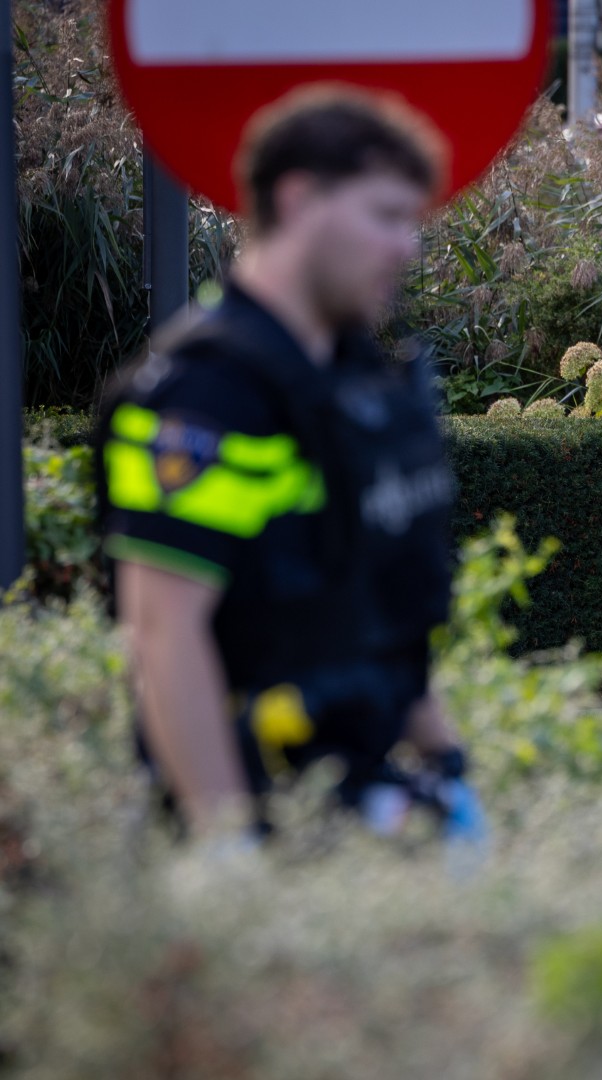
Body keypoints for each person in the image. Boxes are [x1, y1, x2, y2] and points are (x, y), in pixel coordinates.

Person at [96, 88, 480, 844]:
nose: (408, 247)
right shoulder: (202, 394)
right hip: (265, 821)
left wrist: (448, 763)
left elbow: (376, 608)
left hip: (370, 806)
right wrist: (225, 842)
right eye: (385, 216)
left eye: (412, 222)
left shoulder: (357, 380)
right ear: (299, 198)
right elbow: (163, 630)